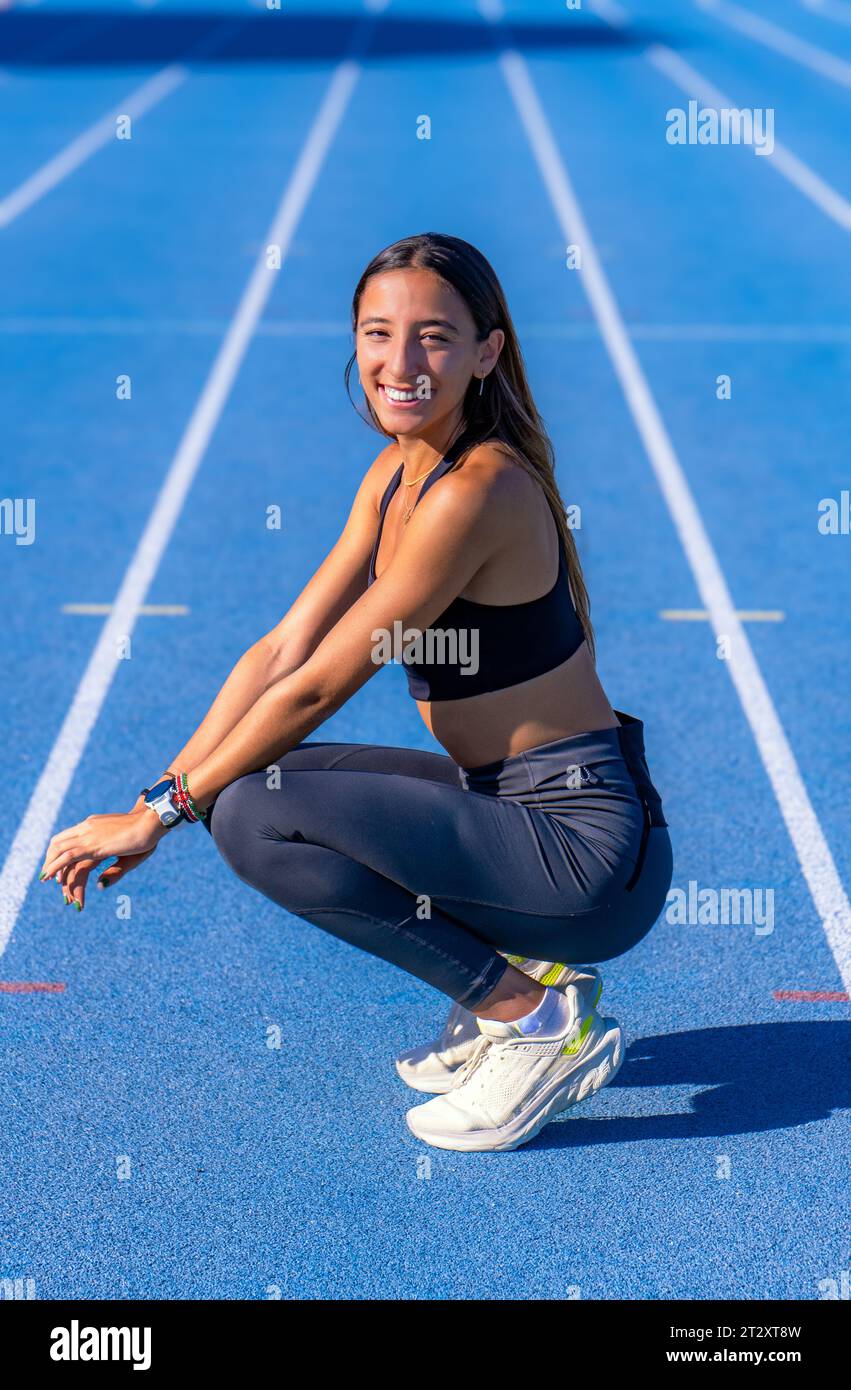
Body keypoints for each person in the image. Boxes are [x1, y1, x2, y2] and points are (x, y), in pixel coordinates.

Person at [39, 233, 673, 1153]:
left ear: (486, 352)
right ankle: (524, 982)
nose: (400, 362)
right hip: (510, 811)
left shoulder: (476, 491)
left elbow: (323, 684)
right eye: (379, 334)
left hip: (581, 855)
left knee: (255, 809)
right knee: (256, 783)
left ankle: (531, 1021)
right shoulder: (396, 474)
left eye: (434, 337)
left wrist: (169, 813)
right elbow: (280, 654)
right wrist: (157, 798)